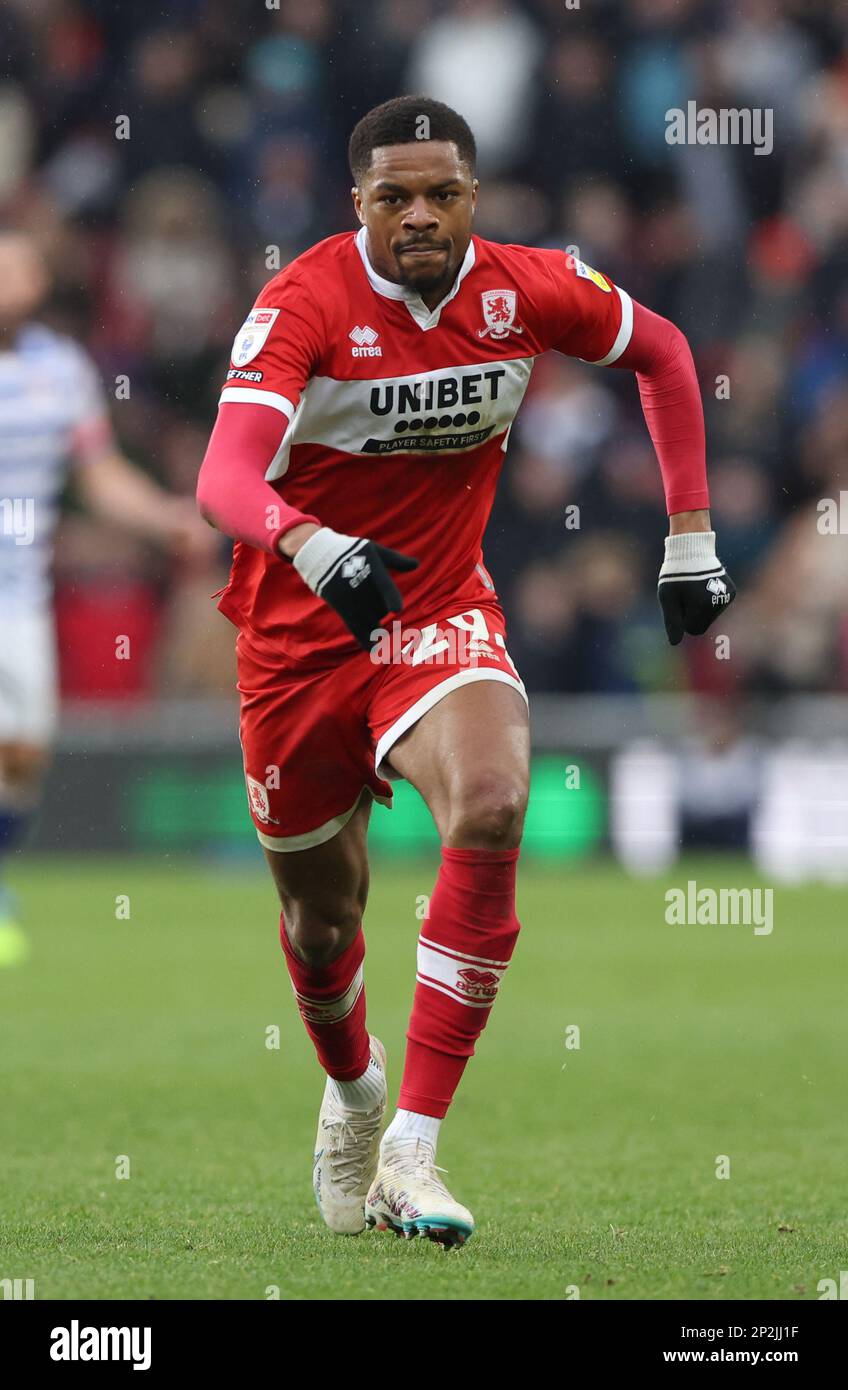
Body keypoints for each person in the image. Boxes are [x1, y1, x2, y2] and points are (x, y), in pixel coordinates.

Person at [197, 96, 736, 1248]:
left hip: (431, 610)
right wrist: (304, 537)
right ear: (356, 207)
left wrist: (688, 533)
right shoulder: (300, 304)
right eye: (393, 197)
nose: (420, 215)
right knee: (319, 924)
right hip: (297, 644)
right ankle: (353, 1095)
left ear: (473, 197)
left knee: (491, 802)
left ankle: (413, 1150)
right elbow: (224, 477)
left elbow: (666, 354)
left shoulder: (527, 287)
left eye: (442, 193)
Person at [0, 232, 214, 964]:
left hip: (20, 594)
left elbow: (99, 477)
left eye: (22, 265)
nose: (14, 276)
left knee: (23, 752)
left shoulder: (60, 371)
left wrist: (166, 517)